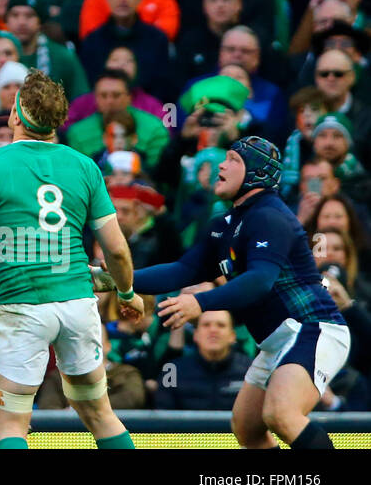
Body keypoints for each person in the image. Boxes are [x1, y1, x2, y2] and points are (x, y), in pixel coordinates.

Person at [0, 70, 141, 449]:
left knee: (10, 426)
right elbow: (117, 249)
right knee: (100, 417)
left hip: (22, 306)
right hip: (77, 305)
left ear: (17, 114)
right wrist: (126, 293)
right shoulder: (85, 166)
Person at [131, 137, 351, 449]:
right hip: (279, 340)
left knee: (282, 414)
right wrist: (113, 277)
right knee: (246, 427)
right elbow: (182, 271)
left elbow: (260, 280)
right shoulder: (225, 224)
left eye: (232, 159)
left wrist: (199, 302)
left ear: (257, 172)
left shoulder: (269, 215)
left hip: (313, 329)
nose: (220, 165)